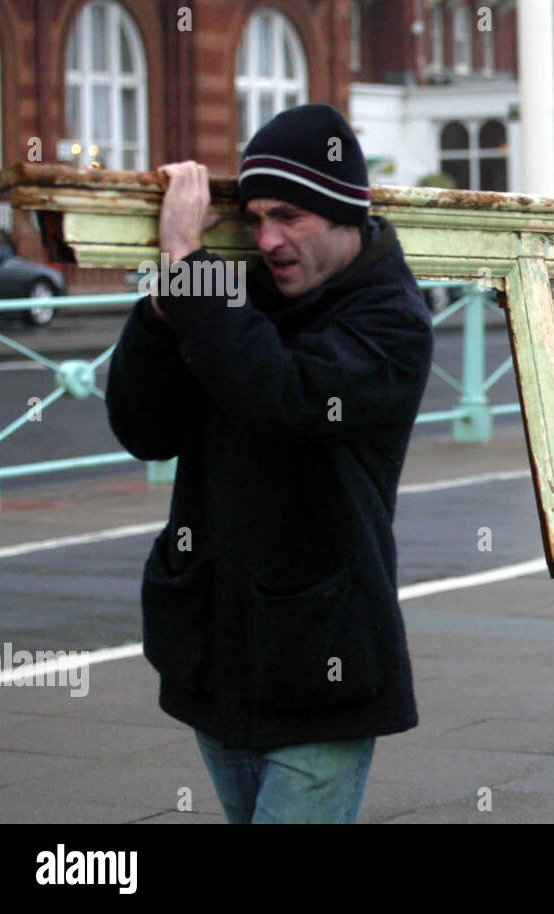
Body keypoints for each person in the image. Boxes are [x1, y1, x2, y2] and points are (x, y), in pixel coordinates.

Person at [106, 103, 433, 823]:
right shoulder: (234, 298)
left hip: (324, 665)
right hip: (217, 655)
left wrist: (190, 266)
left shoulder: (392, 318)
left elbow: (286, 397)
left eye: (288, 215)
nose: (268, 239)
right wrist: (166, 309)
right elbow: (144, 429)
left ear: (346, 212)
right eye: (254, 219)